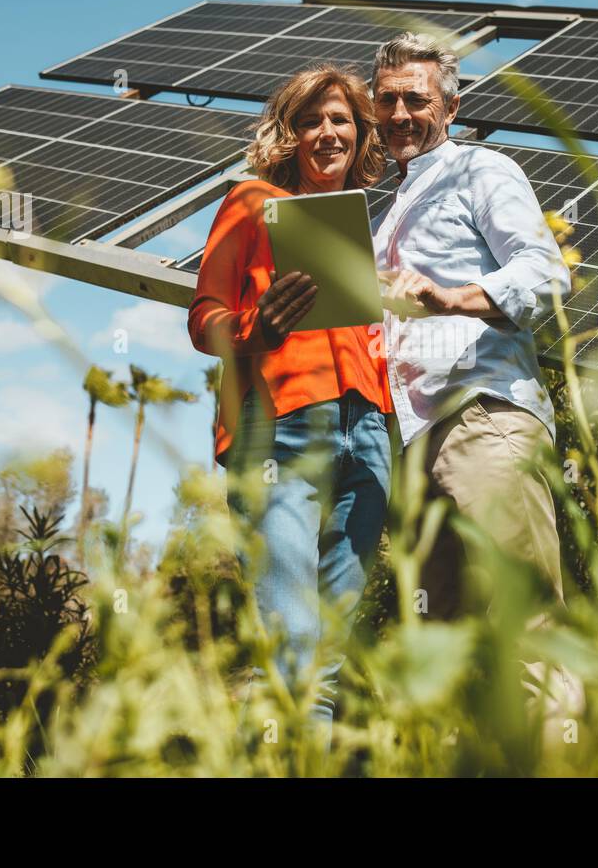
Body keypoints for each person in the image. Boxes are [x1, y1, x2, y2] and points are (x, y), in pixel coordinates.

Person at [186, 65, 392, 733]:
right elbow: (203, 314)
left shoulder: (368, 228)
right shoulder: (248, 203)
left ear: (359, 134)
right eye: (311, 120)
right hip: (278, 427)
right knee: (294, 633)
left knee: (330, 647)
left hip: (367, 432)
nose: (327, 132)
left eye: (340, 120)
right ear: (290, 133)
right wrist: (256, 330)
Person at [370, 32, 573, 620]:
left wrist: (451, 297)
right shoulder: (382, 214)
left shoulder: (482, 169)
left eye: (415, 99)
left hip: (482, 418)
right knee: (447, 650)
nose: (399, 115)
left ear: (451, 107)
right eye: (386, 101)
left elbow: (547, 275)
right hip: (410, 443)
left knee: (526, 620)